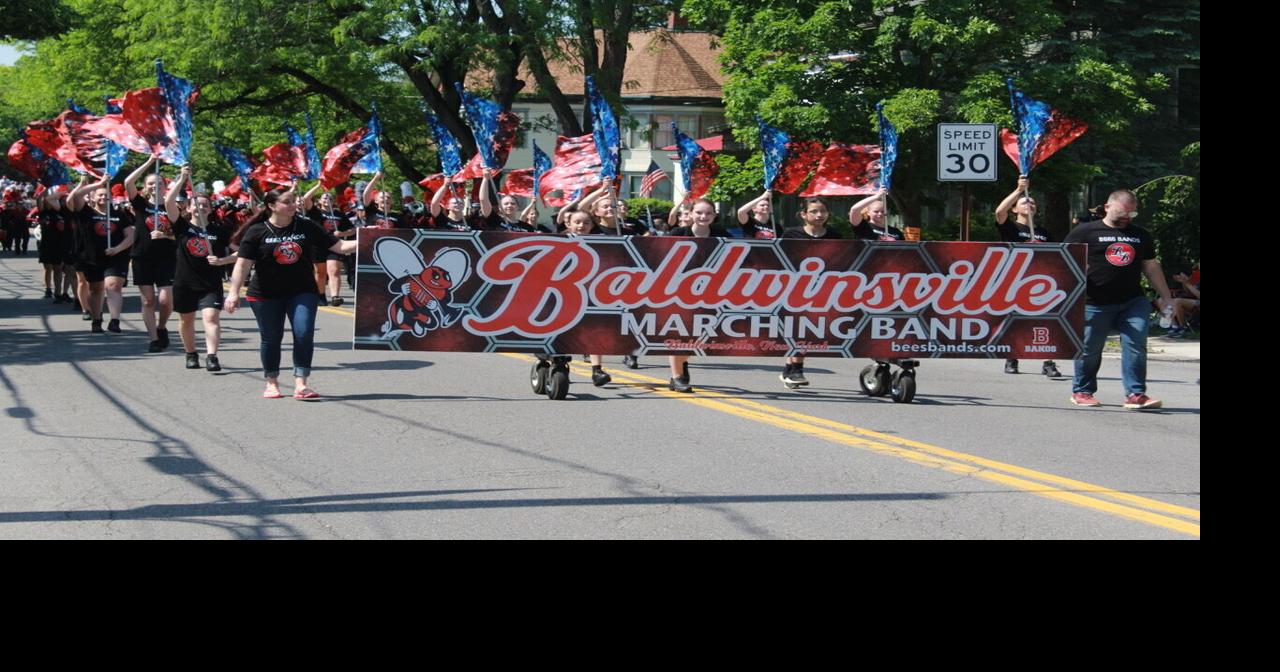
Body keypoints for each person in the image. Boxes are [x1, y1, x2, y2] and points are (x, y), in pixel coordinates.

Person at [225, 188, 357, 399]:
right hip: (265, 294)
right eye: (287, 202)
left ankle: (301, 383)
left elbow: (340, 246)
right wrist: (233, 293)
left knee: (304, 333)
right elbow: (242, 265)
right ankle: (271, 382)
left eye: (294, 201)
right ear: (272, 206)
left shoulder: (305, 226)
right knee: (271, 338)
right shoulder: (257, 231)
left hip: (302, 291)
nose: (294, 205)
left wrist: (367, 239)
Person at [1064, 189, 1180, 410]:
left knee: (1136, 345)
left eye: (1132, 214)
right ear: (1107, 207)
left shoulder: (1140, 234)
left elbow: (1151, 266)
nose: (1127, 217)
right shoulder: (1084, 232)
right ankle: (1082, 390)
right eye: (1122, 212)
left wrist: (1166, 297)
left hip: (1133, 301)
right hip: (1093, 302)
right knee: (1089, 348)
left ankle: (1136, 394)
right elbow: (1065, 262)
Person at [165, 166, 236, 371]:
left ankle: (212, 356)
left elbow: (241, 252)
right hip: (184, 282)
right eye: (196, 205)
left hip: (210, 283)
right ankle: (191, 353)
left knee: (211, 317)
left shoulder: (219, 231)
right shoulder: (182, 227)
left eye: (205, 205)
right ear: (188, 208)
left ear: (211, 209)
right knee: (186, 320)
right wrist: (182, 179)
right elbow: (169, 202)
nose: (200, 208)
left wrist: (223, 261)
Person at [994, 177, 1060, 377]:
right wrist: (1018, 190)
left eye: (1032, 202)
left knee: (1047, 321)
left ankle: (1049, 362)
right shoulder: (1011, 228)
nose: (1029, 203)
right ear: (1015, 209)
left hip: (1040, 282)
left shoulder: (1044, 233)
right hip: (1015, 280)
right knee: (1016, 320)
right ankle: (1012, 358)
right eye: (1024, 202)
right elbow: (999, 212)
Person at [778, 197, 842, 387]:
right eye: (814, 211)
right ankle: (797, 369)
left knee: (806, 328)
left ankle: (790, 369)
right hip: (795, 289)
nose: (819, 215)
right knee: (799, 327)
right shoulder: (791, 235)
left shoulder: (836, 236)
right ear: (803, 214)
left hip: (824, 289)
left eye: (822, 211)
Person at [665, 198, 726, 392]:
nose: (703, 216)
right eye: (699, 212)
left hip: (711, 292)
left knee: (698, 336)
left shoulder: (721, 235)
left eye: (708, 213)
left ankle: (682, 364)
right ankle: (677, 377)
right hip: (679, 290)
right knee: (679, 333)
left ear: (714, 216)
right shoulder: (678, 234)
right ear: (690, 214)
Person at [68, 174, 133, 333]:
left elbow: (131, 235)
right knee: (95, 289)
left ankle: (115, 320)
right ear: (93, 196)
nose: (103, 197)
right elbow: (76, 195)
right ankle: (96, 320)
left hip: (115, 257)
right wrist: (99, 184)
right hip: (92, 258)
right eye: (100, 195)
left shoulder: (119, 215)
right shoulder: (86, 212)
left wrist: (117, 249)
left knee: (113, 285)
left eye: (106, 195)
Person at [125, 155, 177, 353]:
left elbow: (180, 235)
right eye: (150, 183)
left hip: (166, 258)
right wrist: (149, 162)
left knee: (165, 301)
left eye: (158, 183)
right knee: (147, 300)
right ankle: (153, 339)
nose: (155, 186)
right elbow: (128, 182)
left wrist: (165, 235)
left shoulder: (171, 207)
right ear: (146, 187)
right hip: (142, 257)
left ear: (165, 186)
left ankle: (161, 326)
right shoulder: (141, 205)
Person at [301, 185, 356, 306]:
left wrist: (342, 233)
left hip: (335, 244)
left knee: (334, 270)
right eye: (324, 198)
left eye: (330, 198)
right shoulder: (315, 212)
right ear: (320, 201)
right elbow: (305, 199)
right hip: (317, 244)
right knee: (320, 272)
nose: (327, 200)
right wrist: (319, 185)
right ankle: (321, 296)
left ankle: (335, 296)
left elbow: (353, 230)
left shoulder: (340, 214)